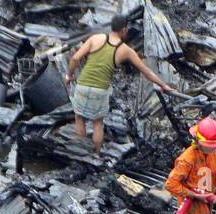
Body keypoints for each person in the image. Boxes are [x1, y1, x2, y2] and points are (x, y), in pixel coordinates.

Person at [66, 14, 174, 154]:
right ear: (123, 29)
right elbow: (146, 71)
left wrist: (69, 75)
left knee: (79, 118)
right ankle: (96, 155)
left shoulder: (95, 38)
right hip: (100, 90)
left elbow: (75, 58)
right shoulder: (125, 50)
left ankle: (79, 153)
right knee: (97, 123)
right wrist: (163, 85)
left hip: (83, 85)